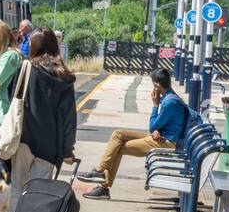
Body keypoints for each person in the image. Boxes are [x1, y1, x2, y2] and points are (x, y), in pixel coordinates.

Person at [3, 29, 78, 212]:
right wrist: (67, 150)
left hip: (23, 140)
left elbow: (13, 98)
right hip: (50, 147)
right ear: (55, 46)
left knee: (18, 187)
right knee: (38, 193)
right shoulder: (65, 77)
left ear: (33, 47)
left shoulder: (26, 68)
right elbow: (69, 119)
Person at [79, 68, 187, 200]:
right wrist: (156, 129)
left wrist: (155, 105)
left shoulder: (170, 102)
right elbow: (158, 126)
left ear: (157, 85)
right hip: (160, 136)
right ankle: (100, 172)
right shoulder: (169, 97)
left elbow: (153, 125)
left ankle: (103, 184)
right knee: (118, 134)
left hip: (168, 142)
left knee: (118, 148)